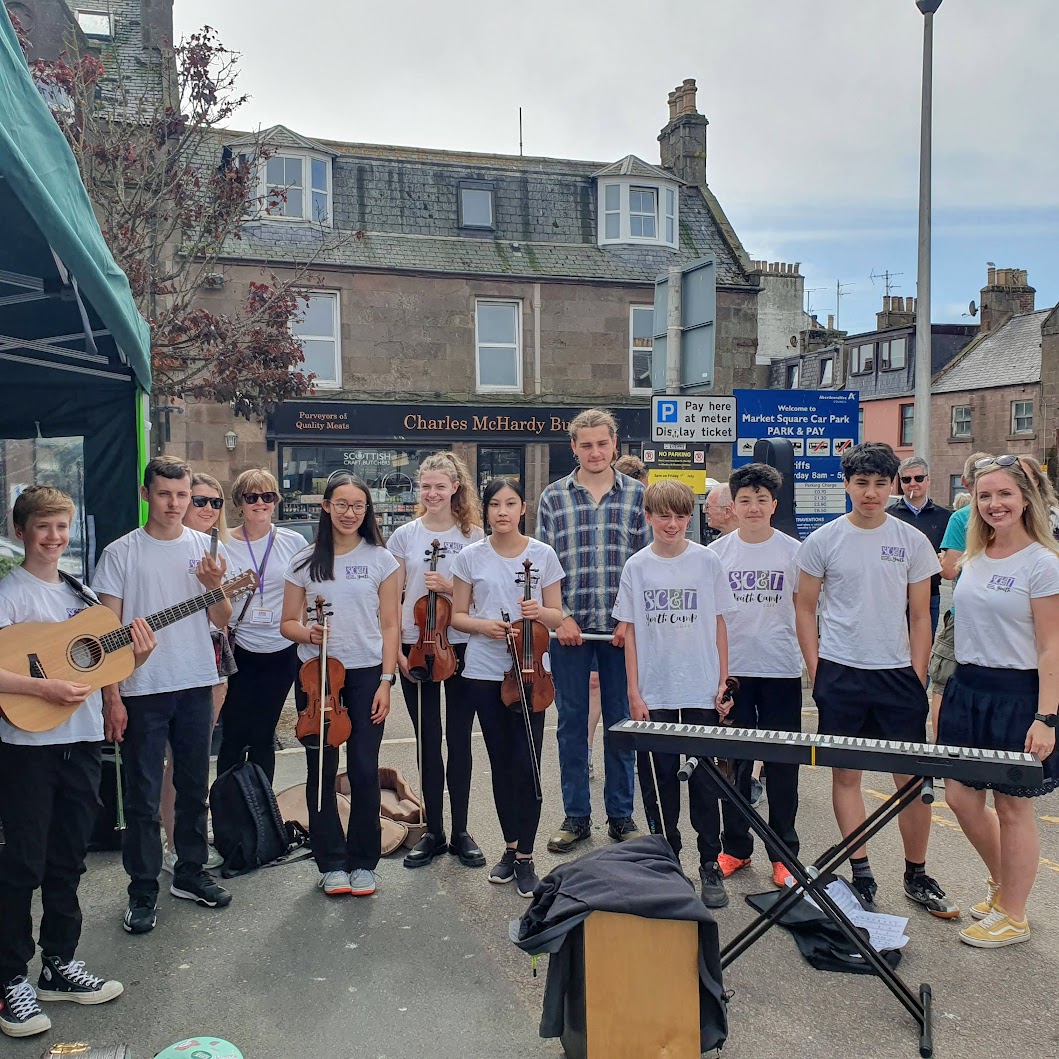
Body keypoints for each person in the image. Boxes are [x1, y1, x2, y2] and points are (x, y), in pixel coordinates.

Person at [0, 487, 155, 1038]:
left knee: (69, 857)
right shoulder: (10, 593)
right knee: (22, 862)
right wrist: (40, 688)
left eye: (62, 527)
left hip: (81, 741)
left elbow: (102, 664)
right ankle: (10, 978)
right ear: (22, 532)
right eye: (43, 526)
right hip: (27, 748)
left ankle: (59, 963)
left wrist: (135, 654)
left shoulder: (80, 592)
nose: (54, 537)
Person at [794, 442, 958, 917]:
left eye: (880, 484)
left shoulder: (912, 541)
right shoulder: (823, 540)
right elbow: (804, 608)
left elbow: (920, 615)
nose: (870, 493)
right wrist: (817, 665)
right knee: (847, 774)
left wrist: (917, 671)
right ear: (846, 484)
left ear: (893, 487)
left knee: (911, 778)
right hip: (840, 672)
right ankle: (860, 870)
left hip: (898, 675)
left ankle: (916, 872)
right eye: (861, 483)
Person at [93, 456, 234, 935]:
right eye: (165, 494)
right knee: (143, 797)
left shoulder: (206, 549)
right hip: (141, 690)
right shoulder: (120, 554)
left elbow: (220, 620)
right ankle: (142, 889)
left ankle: (190, 872)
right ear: (145, 494)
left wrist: (215, 588)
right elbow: (104, 634)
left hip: (195, 681)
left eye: (183, 495)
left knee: (194, 788)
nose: (175, 504)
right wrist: (112, 697)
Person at [939, 455, 1059, 946]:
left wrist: (1046, 717)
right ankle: (1003, 884)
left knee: (1012, 809)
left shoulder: (1043, 564)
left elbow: (1052, 645)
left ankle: (1014, 914)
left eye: (1005, 494)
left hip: (1019, 694)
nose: (994, 504)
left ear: (1026, 499)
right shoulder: (975, 557)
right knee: (960, 798)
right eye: (985, 496)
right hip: (968, 688)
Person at [613, 480, 736, 907]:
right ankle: (668, 859)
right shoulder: (637, 567)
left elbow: (720, 624)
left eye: (680, 515)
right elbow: (627, 635)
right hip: (655, 690)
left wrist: (723, 681)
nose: (672, 524)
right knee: (659, 780)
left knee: (704, 781)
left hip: (700, 688)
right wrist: (634, 691)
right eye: (663, 515)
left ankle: (708, 862)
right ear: (648, 517)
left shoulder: (707, 562)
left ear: (691, 517)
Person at [281, 472, 400, 898]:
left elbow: (390, 624)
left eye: (359, 506)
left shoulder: (382, 560)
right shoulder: (303, 560)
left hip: (368, 673)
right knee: (322, 769)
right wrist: (307, 635)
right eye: (342, 504)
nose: (350, 513)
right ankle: (329, 860)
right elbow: (287, 624)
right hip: (318, 676)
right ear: (327, 507)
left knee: (365, 769)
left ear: (367, 511)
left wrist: (387, 681)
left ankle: (363, 860)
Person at [537, 408, 647, 853]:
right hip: (570, 630)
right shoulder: (553, 497)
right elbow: (545, 566)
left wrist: (630, 620)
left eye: (602, 443)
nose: (595, 452)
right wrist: (558, 615)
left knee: (622, 724)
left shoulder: (639, 496)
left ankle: (621, 816)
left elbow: (647, 566)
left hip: (622, 632)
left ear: (614, 444)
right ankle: (576, 816)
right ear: (574, 448)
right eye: (586, 445)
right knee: (571, 725)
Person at [450, 477, 565, 897]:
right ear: (486, 510)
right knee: (500, 762)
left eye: (510, 503)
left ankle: (527, 857)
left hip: (531, 674)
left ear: (522, 509)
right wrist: (485, 627)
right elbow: (456, 616)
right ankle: (510, 847)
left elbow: (556, 616)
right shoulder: (470, 557)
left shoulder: (543, 554)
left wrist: (541, 612)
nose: (502, 511)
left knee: (528, 763)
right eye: (495, 504)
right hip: (484, 670)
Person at [388, 453, 486, 869]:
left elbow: (488, 593)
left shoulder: (475, 536)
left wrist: (450, 587)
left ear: (455, 489)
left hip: (460, 644)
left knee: (460, 740)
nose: (432, 493)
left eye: (440, 486)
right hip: (417, 645)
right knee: (428, 739)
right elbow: (390, 597)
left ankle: (461, 830)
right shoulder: (404, 536)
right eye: (425, 486)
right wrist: (392, 648)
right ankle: (434, 830)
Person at [709, 464, 803, 889]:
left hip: (781, 669)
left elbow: (805, 613)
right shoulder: (718, 553)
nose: (752, 507)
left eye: (761, 500)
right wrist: (717, 674)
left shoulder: (794, 552)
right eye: (744, 500)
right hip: (735, 673)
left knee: (783, 765)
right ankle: (735, 848)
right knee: (735, 766)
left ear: (774, 505)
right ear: (733, 505)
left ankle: (784, 855)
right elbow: (712, 620)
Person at [157, 472, 232, 875]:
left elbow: (223, 616)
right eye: (198, 500)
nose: (205, 509)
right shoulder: (162, 544)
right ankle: (172, 841)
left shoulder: (216, 549)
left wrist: (216, 587)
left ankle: (191, 836)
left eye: (214, 503)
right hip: (163, 659)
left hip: (211, 653)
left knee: (194, 756)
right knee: (172, 759)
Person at [217, 469, 304, 782]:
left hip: (281, 648)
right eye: (251, 497)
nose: (260, 503)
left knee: (264, 734)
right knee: (235, 734)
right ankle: (228, 810)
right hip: (239, 647)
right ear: (239, 502)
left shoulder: (293, 541)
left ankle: (261, 810)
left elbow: (307, 591)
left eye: (267, 496)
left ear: (276, 501)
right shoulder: (223, 543)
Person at [586, 457, 647, 775]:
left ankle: (633, 751)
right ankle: (589, 750)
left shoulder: (637, 510)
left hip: (633, 615)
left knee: (633, 686)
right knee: (596, 685)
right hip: (600, 615)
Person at [929, 452, 990, 735]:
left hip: (965, 614)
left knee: (943, 682)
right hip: (1010, 615)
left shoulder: (961, 518)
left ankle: (944, 757)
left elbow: (949, 571)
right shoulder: (1019, 516)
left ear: (965, 481)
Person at [886, 456, 950, 637]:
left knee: (923, 648)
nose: (913, 483)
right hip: (894, 595)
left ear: (928, 480)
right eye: (906, 479)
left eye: (918, 478)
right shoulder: (887, 517)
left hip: (930, 594)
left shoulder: (945, 517)